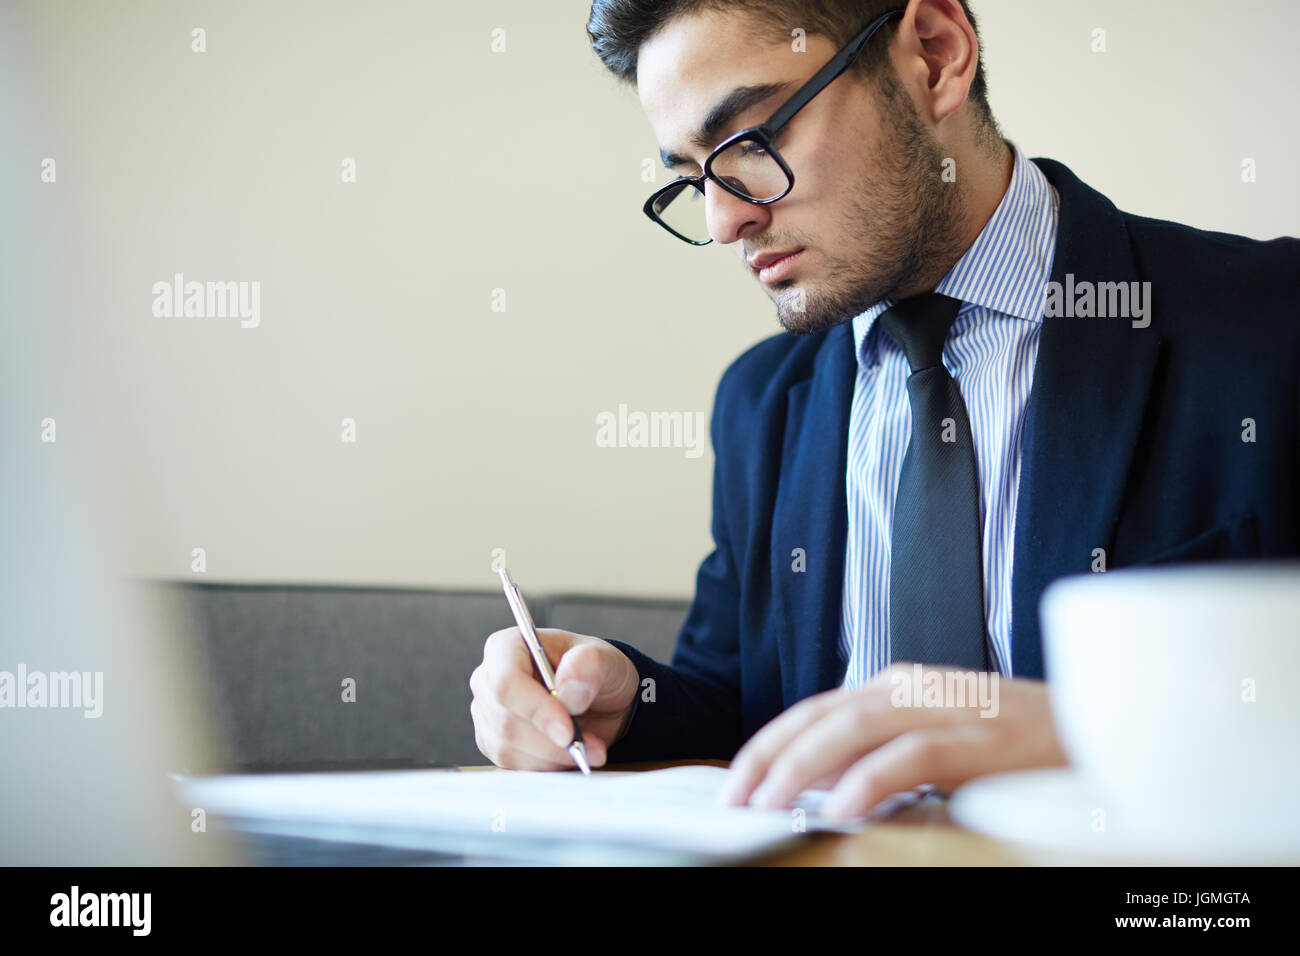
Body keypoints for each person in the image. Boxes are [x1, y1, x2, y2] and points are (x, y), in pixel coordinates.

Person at [469, 0, 1299, 820]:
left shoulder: (1270, 326)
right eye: (692, 181)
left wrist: (1100, 739)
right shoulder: (761, 404)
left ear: (934, 57)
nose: (726, 220)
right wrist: (628, 699)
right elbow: (748, 709)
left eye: (751, 143)